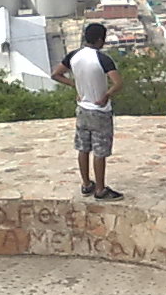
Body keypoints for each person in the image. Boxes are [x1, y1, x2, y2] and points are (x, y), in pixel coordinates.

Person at [51, 22, 124, 201]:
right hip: (99, 110)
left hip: (82, 108)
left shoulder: (74, 55)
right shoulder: (103, 59)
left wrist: (75, 86)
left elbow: (56, 74)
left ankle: (86, 183)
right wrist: (107, 94)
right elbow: (118, 82)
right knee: (100, 151)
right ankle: (100, 188)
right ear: (100, 39)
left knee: (83, 148)